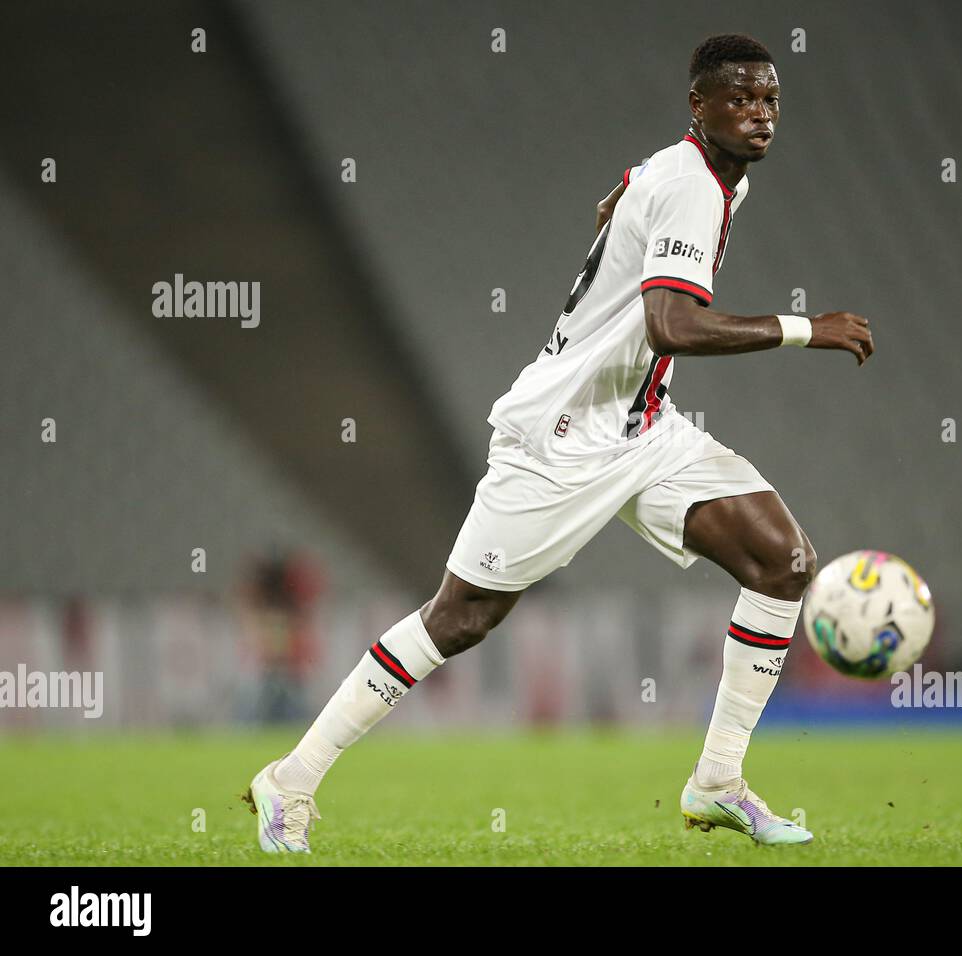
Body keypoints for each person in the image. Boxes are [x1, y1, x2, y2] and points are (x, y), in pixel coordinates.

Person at [244, 33, 873, 851]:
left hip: (643, 428)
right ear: (699, 106)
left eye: (770, 102)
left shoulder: (704, 175)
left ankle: (717, 780)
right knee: (459, 619)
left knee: (781, 561)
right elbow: (672, 323)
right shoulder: (691, 186)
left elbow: (637, 188)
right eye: (742, 100)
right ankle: (289, 780)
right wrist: (806, 329)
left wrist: (623, 198)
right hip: (564, 435)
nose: (760, 116)